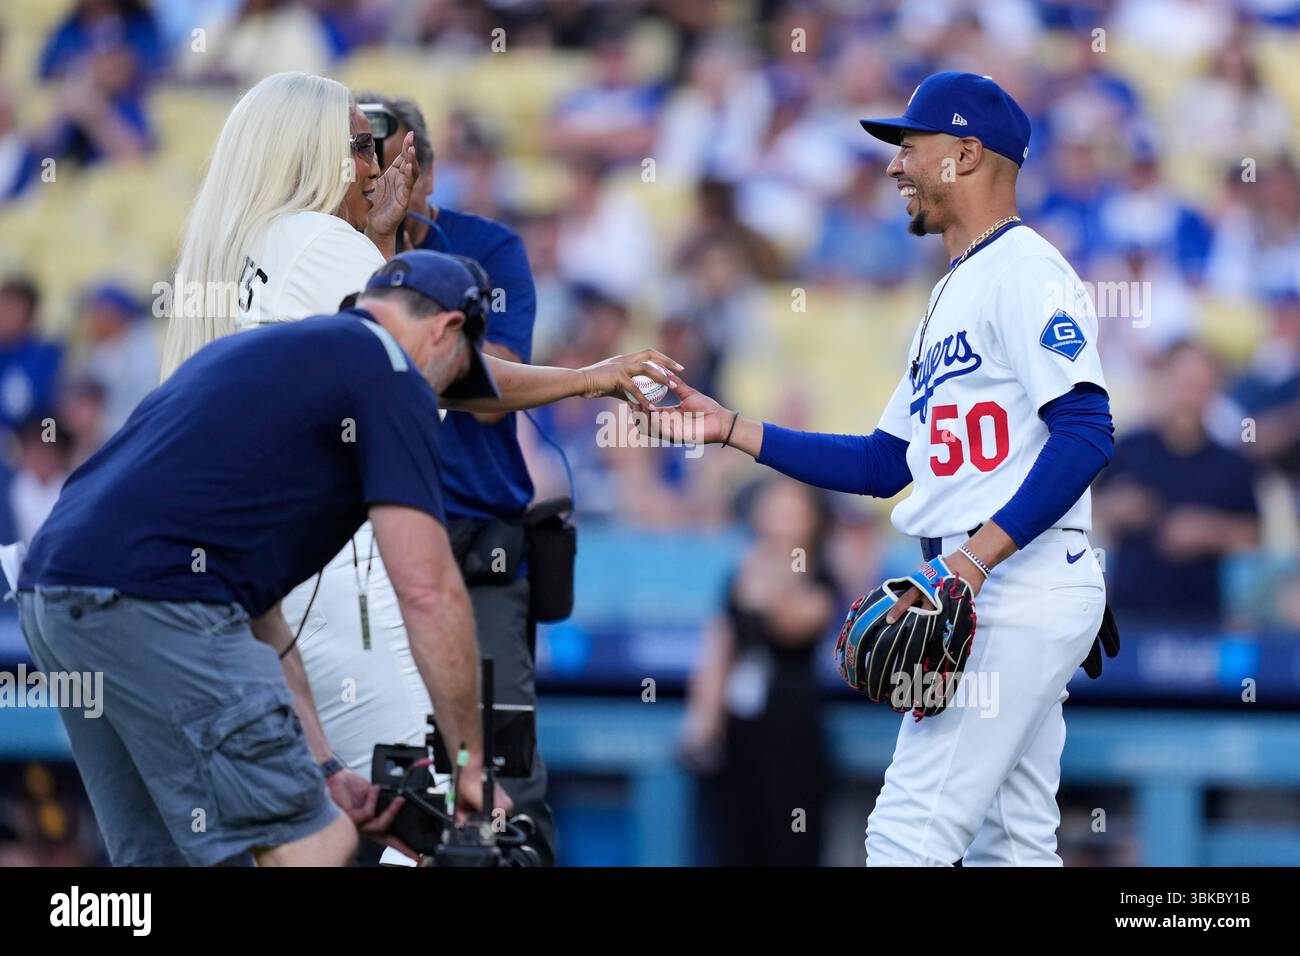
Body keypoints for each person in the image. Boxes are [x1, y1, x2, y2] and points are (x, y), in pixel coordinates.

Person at [11, 250, 674, 866]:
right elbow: (429, 591)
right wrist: (469, 766)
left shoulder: (271, 357)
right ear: (447, 328)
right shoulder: (389, 375)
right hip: (153, 601)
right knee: (315, 847)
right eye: (459, 371)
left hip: (56, 593)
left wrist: (325, 769)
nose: (449, 402)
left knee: (164, 859)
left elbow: (258, 621)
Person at [650, 72, 1116, 866]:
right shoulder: (950, 293)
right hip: (1004, 574)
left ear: (966, 154)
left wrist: (979, 561)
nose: (896, 165)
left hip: (1000, 579)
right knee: (1014, 846)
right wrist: (731, 427)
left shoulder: (1027, 272)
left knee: (906, 836)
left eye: (911, 146)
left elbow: (1086, 430)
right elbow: (883, 462)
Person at [360, 91, 556, 863]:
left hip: (475, 538)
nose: (380, 176)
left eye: (396, 159)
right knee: (378, 756)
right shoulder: (330, 247)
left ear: (427, 168)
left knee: (501, 758)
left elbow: (490, 386)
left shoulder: (485, 247)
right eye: (368, 158)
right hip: (360, 546)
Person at [680, 478, 836, 866]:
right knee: (736, 839)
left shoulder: (821, 575)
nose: (780, 519)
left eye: (792, 511)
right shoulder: (739, 573)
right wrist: (703, 717)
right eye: (774, 509)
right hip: (741, 728)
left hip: (793, 727)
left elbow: (795, 623)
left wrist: (779, 568)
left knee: (792, 840)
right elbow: (719, 647)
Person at [1094, 340, 1259, 626]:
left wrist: (1208, 532)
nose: (1189, 395)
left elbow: (1253, 535)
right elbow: (1091, 509)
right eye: (1184, 383)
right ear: (1165, 382)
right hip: (1129, 616)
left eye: (1200, 385)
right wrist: (1117, 508)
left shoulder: (1232, 463)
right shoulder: (1131, 448)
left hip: (1203, 620)